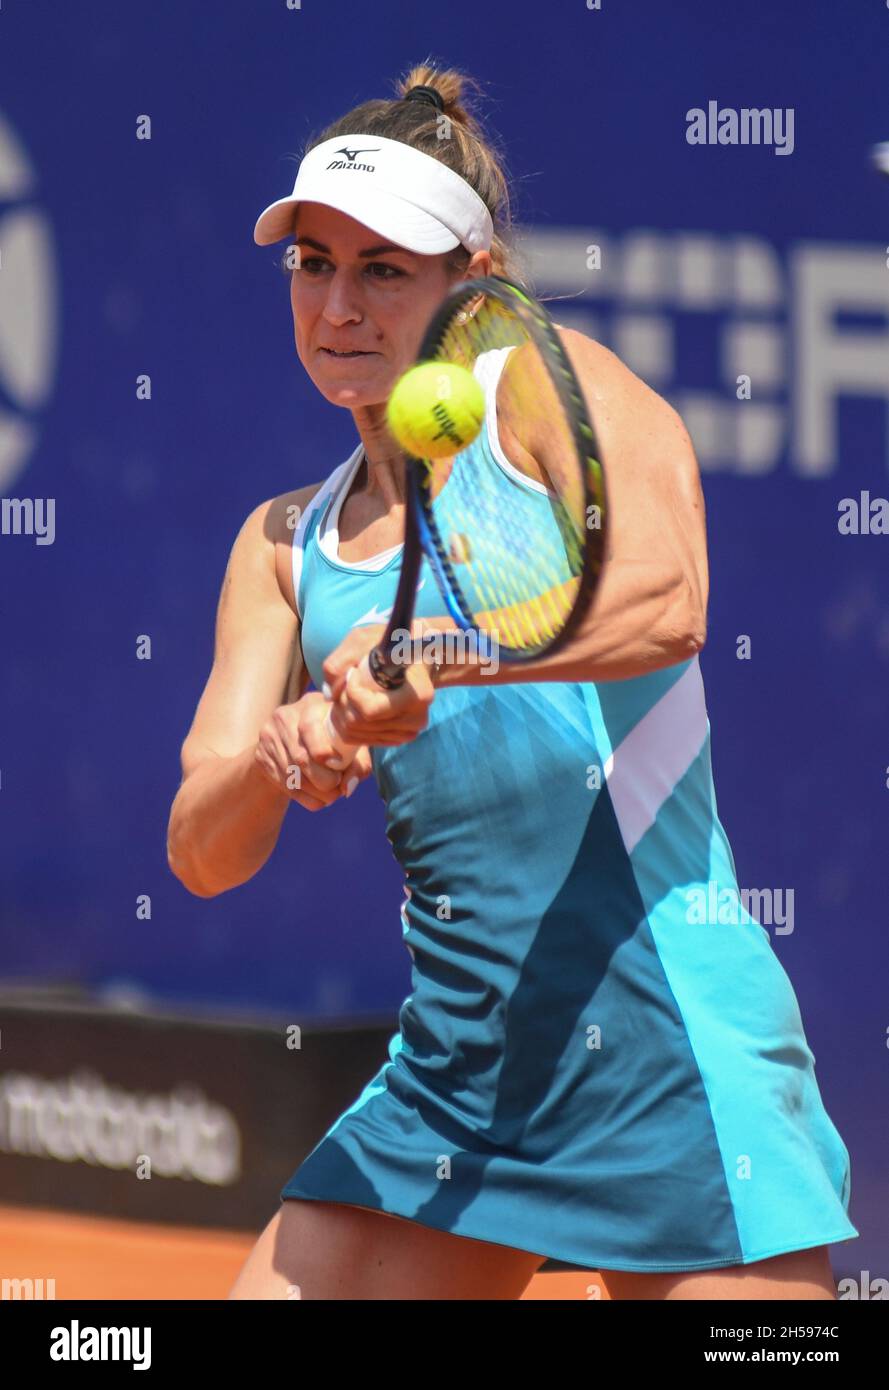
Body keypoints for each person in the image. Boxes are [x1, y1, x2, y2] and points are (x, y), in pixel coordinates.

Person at [167, 62, 858, 1300]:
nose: (339, 305)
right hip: (459, 1072)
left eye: (385, 269)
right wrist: (277, 761)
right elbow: (202, 850)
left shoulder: (553, 382)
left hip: (669, 1046)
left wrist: (439, 651)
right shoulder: (281, 546)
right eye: (313, 263)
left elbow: (668, 598)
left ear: (472, 285)